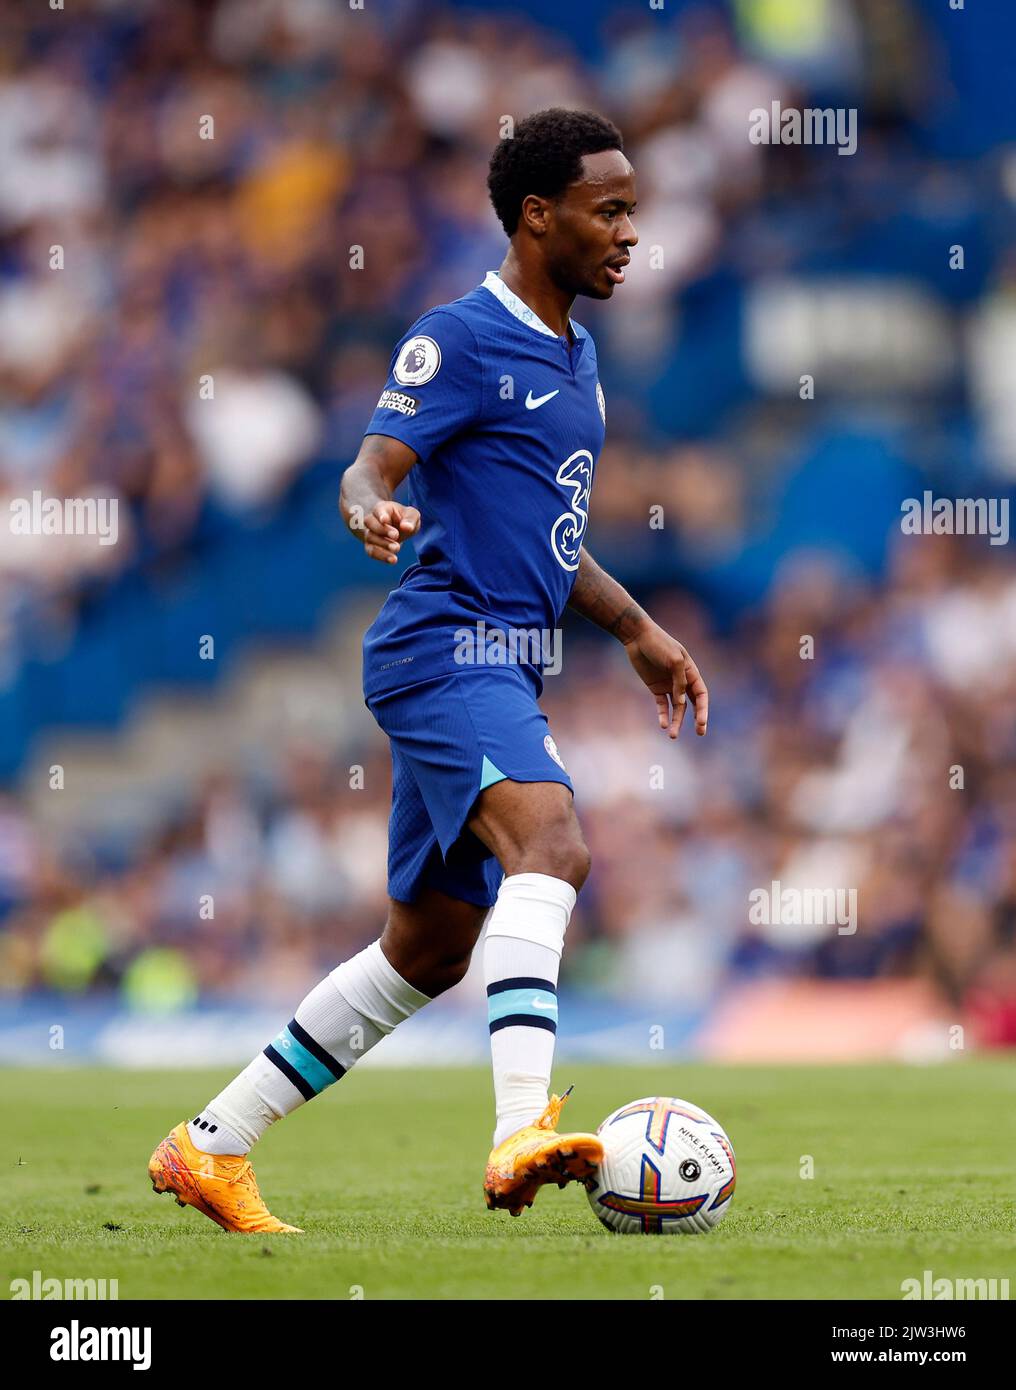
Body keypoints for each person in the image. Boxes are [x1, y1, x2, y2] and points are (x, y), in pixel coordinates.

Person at [147, 108, 708, 1233]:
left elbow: (545, 530)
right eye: (608, 210)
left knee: (431, 947)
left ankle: (210, 1145)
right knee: (553, 841)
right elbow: (371, 463)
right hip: (445, 646)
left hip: (502, 656)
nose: (628, 233)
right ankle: (518, 1129)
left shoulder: (576, 355)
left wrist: (636, 627)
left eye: (632, 211)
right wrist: (368, 508)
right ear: (537, 216)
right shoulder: (458, 336)